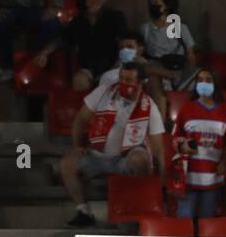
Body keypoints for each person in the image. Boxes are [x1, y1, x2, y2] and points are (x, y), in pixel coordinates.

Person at [62, 61, 165, 228]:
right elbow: (80, 119)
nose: (124, 83)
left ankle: (134, 211)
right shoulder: (103, 92)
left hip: (125, 158)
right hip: (97, 154)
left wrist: (161, 181)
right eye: (122, 78)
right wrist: (76, 146)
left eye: (129, 80)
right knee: (68, 163)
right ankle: (84, 212)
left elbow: (158, 147)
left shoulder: (149, 106)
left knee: (140, 159)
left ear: (141, 83)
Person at [32, 0, 126, 91]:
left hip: (113, 66)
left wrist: (115, 69)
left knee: (110, 82)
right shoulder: (78, 21)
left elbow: (124, 44)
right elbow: (62, 38)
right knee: (79, 80)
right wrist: (45, 52)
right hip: (88, 69)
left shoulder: (116, 18)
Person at [172, 67, 226, 219]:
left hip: (212, 177)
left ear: (215, 84)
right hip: (187, 178)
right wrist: (182, 144)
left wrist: (224, 162)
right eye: (200, 80)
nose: (203, 83)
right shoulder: (187, 108)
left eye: (208, 80)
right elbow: (175, 136)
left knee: (207, 225)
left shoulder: (225, 111)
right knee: (184, 224)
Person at [0, 0, 64, 83]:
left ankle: (37, 61)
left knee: (53, 23)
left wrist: (56, 6)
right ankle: (6, 66)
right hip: (5, 6)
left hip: (34, 7)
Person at [140, 0, 195, 114]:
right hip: (154, 66)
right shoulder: (146, 28)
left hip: (175, 66)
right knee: (151, 72)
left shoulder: (180, 27)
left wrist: (188, 74)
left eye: (155, 2)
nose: (152, 5)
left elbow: (190, 53)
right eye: (150, 2)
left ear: (167, 6)